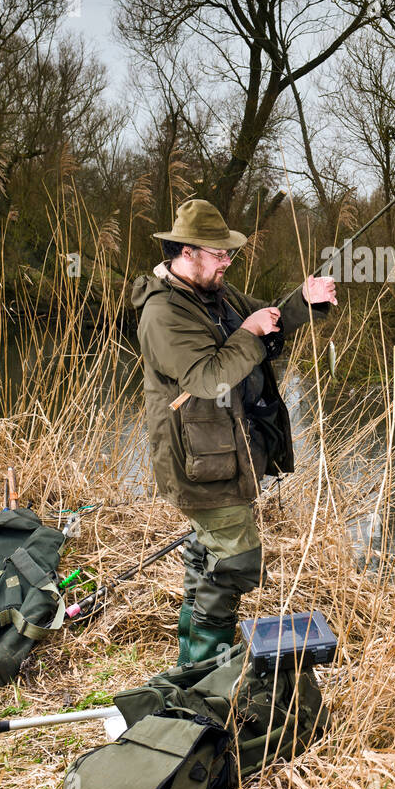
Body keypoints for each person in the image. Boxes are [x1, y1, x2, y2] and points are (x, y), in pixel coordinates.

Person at [131, 199, 337, 665]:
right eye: (218, 253)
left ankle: (193, 666)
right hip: (198, 460)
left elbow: (269, 318)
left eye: (228, 253)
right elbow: (207, 377)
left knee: (209, 557)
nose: (228, 261)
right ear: (186, 252)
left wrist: (304, 301)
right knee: (235, 563)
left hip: (224, 454)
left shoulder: (215, 294)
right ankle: (208, 671)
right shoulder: (163, 314)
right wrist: (248, 331)